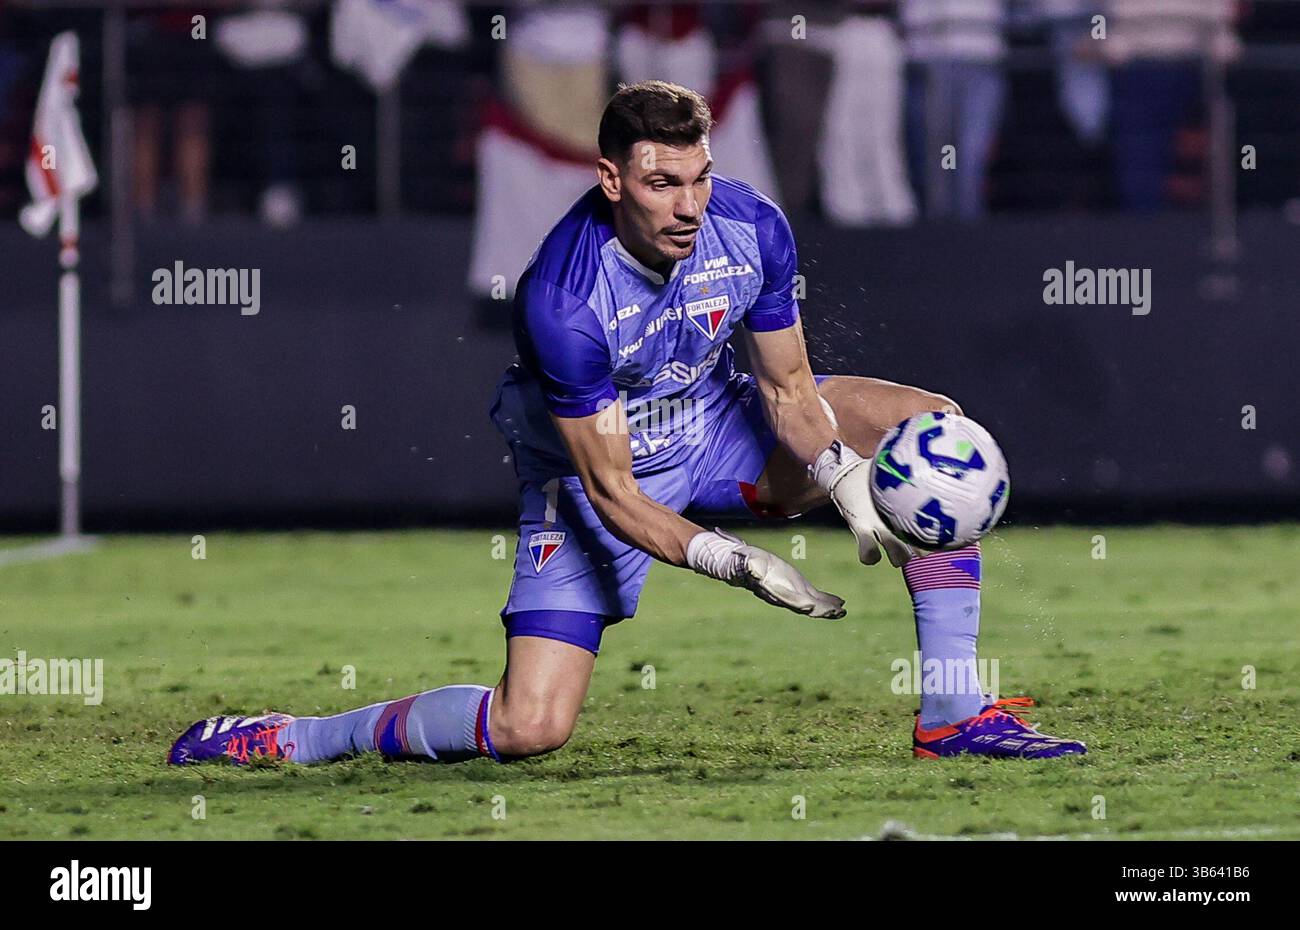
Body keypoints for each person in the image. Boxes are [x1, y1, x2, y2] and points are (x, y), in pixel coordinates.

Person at [168, 81, 1085, 767]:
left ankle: (953, 717)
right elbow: (613, 492)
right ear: (610, 177)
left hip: (721, 425)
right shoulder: (563, 299)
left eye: (699, 178)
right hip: (592, 480)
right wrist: (740, 561)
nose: (687, 206)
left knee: (927, 426)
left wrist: (843, 473)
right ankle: (298, 739)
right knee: (532, 727)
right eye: (659, 183)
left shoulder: (752, 227)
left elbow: (790, 392)